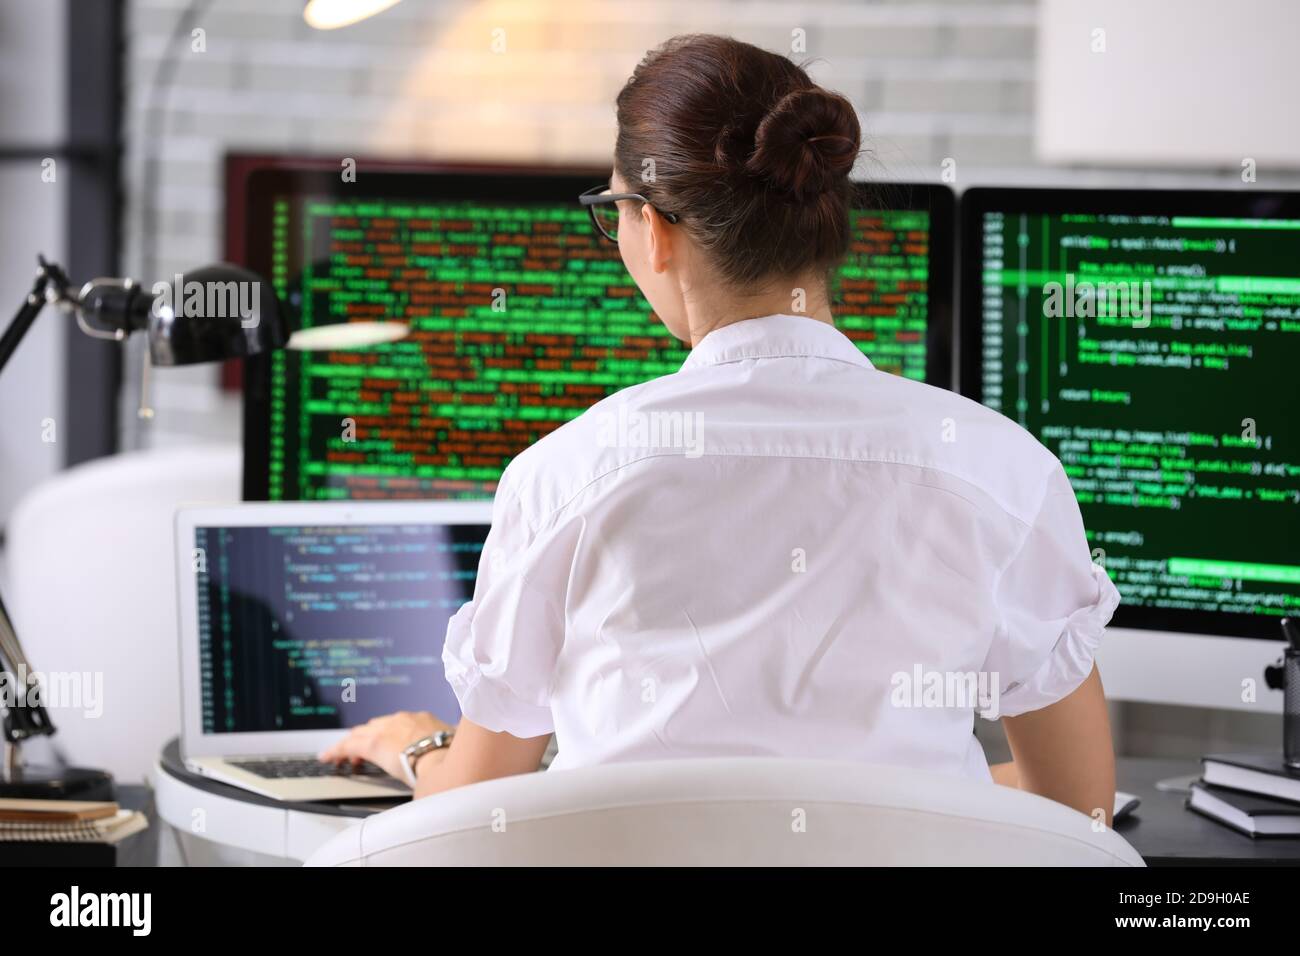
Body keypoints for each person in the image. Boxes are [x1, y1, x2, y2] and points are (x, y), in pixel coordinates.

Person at [321, 34, 1121, 822]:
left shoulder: (565, 478)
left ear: (656, 229)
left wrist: (419, 749)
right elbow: (1075, 810)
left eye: (615, 213)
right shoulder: (1002, 471)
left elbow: (477, 810)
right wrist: (904, 802)